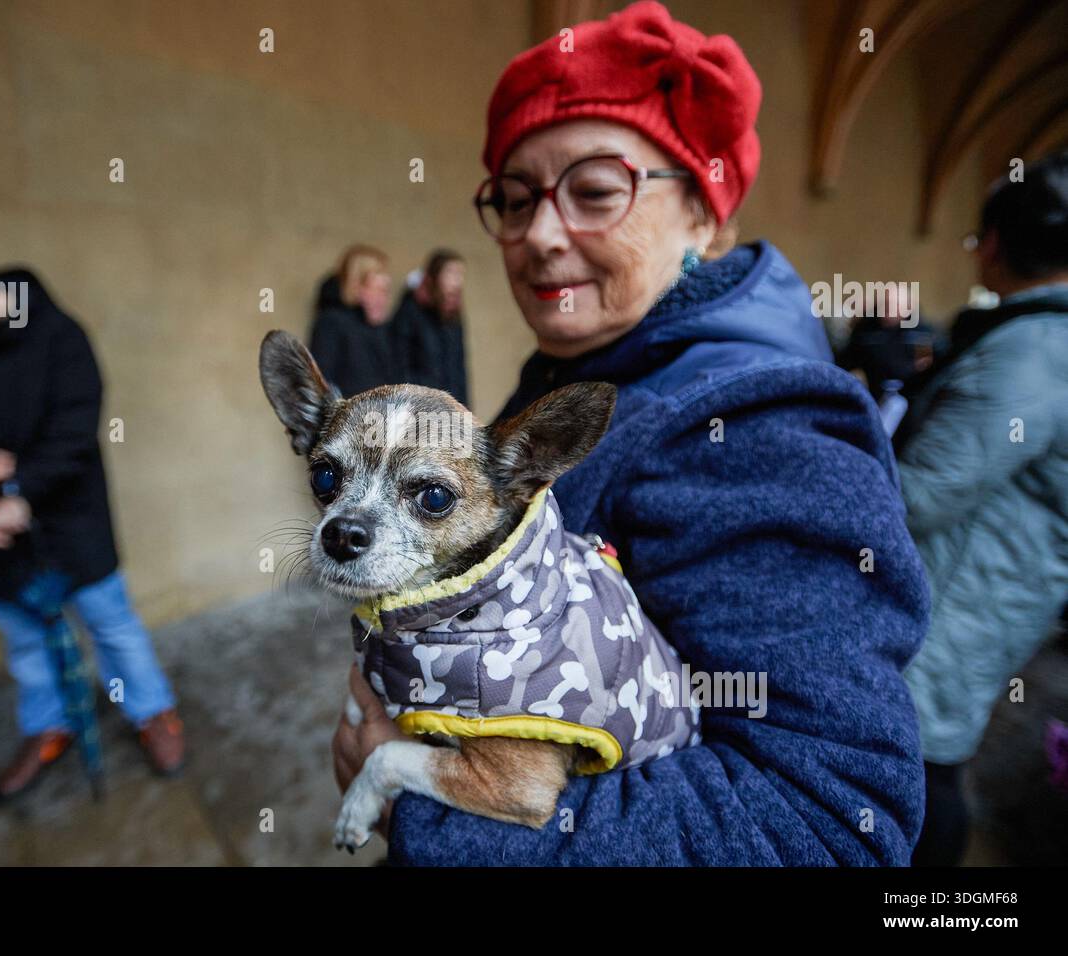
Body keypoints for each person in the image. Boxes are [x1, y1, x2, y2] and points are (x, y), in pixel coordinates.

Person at [331, 1, 930, 865]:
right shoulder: (584, 368)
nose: (539, 235)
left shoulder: (758, 431)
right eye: (513, 195)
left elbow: (828, 823)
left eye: (596, 190)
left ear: (704, 215)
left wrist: (425, 811)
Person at [0, 239, 185, 800]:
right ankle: (48, 725)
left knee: (111, 625)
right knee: (25, 640)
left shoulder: (53, 331)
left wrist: (21, 493)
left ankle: (152, 713)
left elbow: (76, 424)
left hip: (69, 515)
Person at [895, 151, 1068, 866]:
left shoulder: (1030, 352)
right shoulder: (1039, 340)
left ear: (995, 243)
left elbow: (921, 497)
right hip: (997, 587)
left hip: (960, 601)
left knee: (921, 768)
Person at [308, 245, 396, 397]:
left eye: (386, 291)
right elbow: (321, 384)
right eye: (379, 290)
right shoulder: (331, 322)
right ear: (358, 287)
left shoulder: (380, 328)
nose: (384, 299)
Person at [835, 283, 940, 402]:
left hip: (912, 397)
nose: (888, 309)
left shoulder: (922, 333)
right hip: (874, 395)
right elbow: (845, 360)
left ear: (909, 307)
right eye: (885, 304)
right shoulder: (866, 330)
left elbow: (929, 365)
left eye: (895, 305)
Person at [391, 249, 469, 405]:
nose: (457, 281)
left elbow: (460, 372)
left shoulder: (453, 319)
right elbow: (399, 367)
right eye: (451, 273)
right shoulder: (410, 312)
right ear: (434, 276)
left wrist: (465, 412)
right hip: (418, 410)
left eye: (460, 274)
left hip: (450, 412)